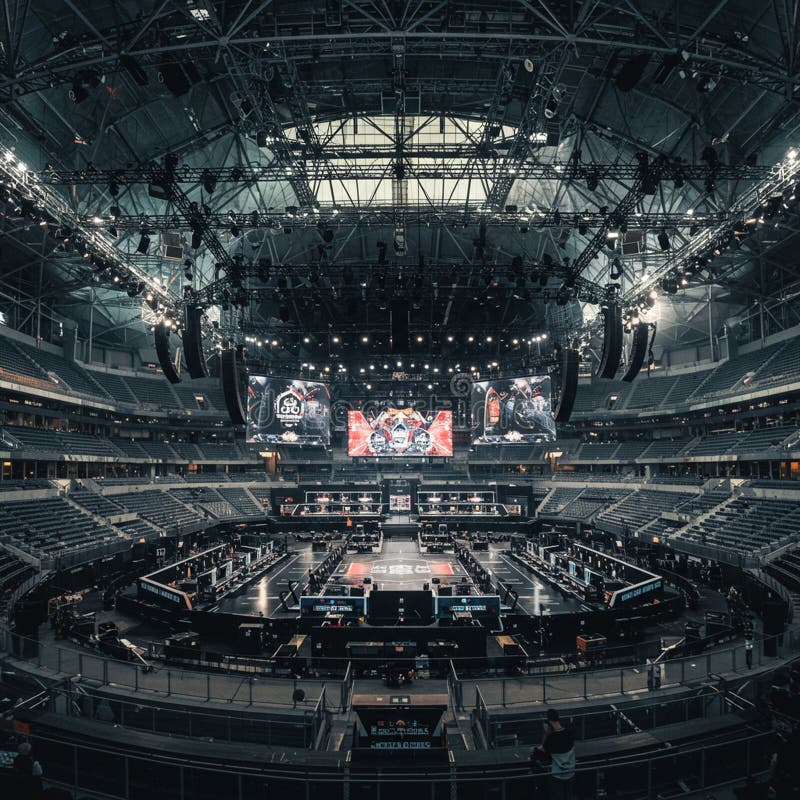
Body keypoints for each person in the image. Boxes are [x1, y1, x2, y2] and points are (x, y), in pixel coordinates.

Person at [532, 709, 575, 799]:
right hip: (570, 772)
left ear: (549, 721)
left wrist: (546, 733)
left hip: (557, 774)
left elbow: (543, 752)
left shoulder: (551, 738)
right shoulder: (569, 733)